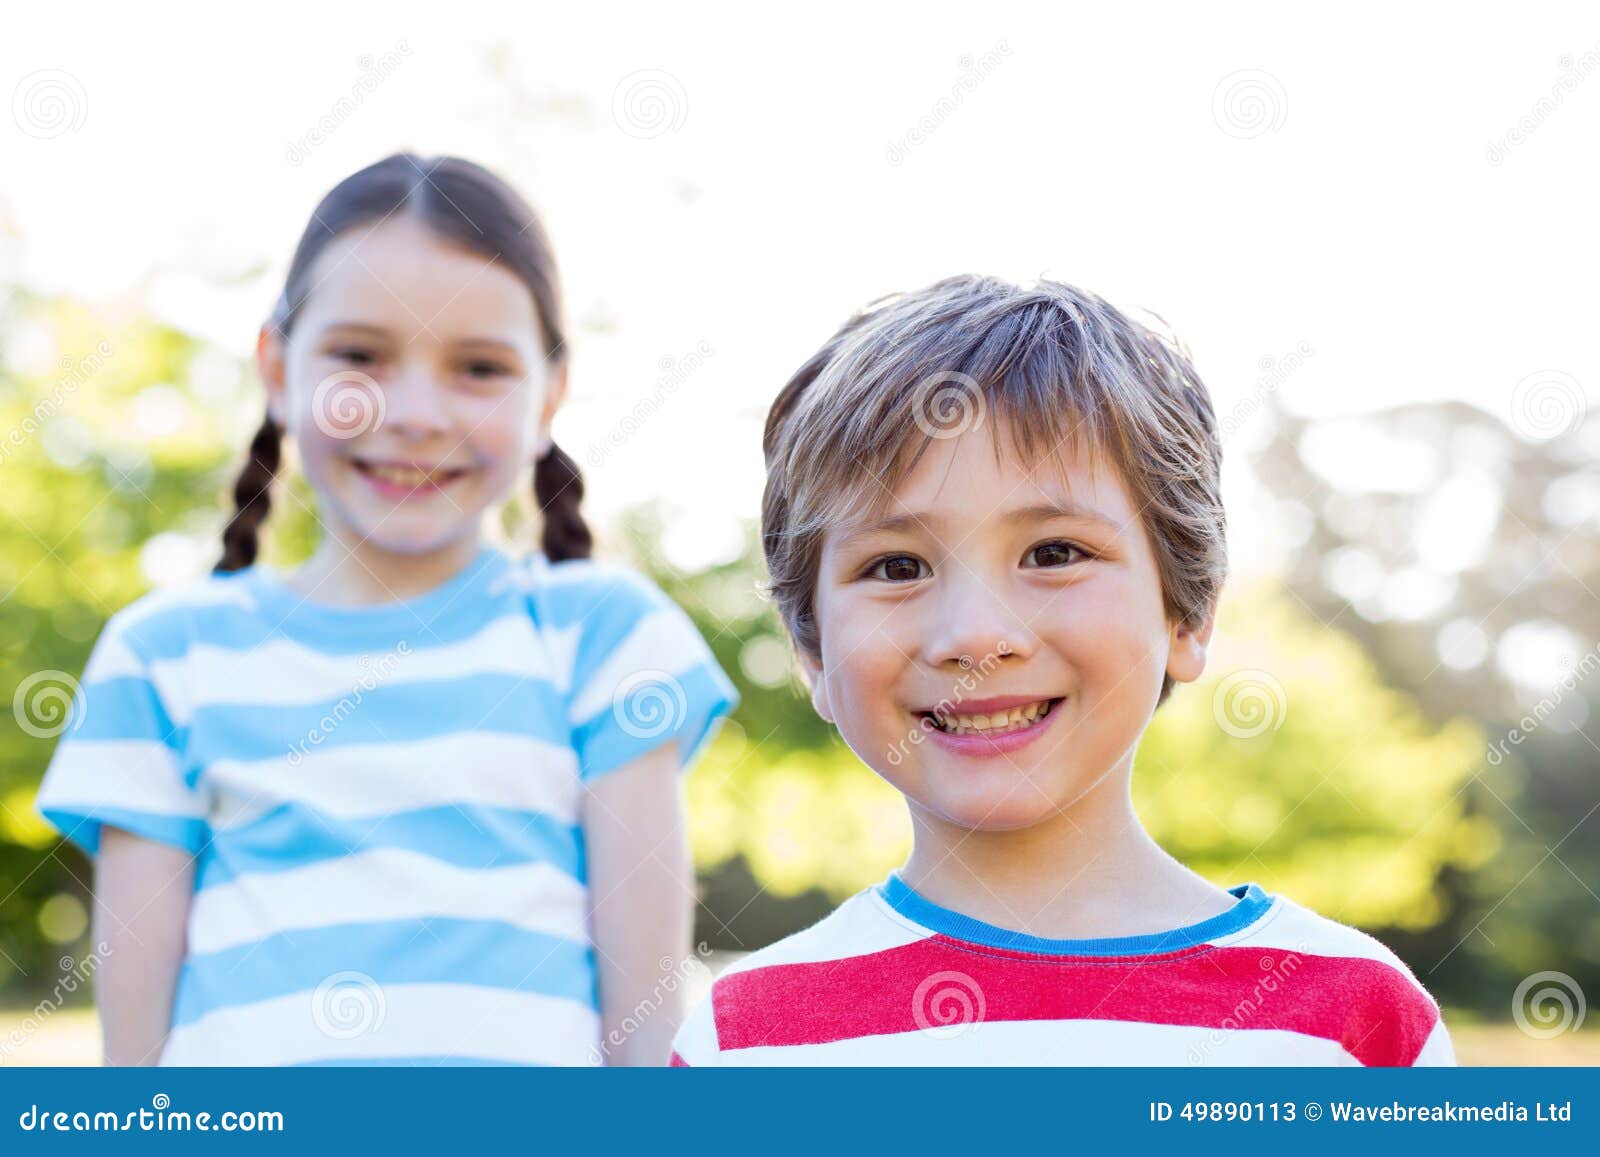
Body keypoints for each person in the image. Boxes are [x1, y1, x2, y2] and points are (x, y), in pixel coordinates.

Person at [35, 153, 737, 1066]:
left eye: (479, 367)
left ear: (551, 396)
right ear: (277, 368)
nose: (414, 412)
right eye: (361, 357)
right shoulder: (163, 657)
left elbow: (645, 1040)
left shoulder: (604, 638)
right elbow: (135, 1073)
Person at [672, 275, 1454, 1066]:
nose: (976, 636)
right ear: (810, 649)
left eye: (1054, 553)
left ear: (1187, 614)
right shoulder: (740, 1043)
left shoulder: (1358, 1024)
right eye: (897, 566)